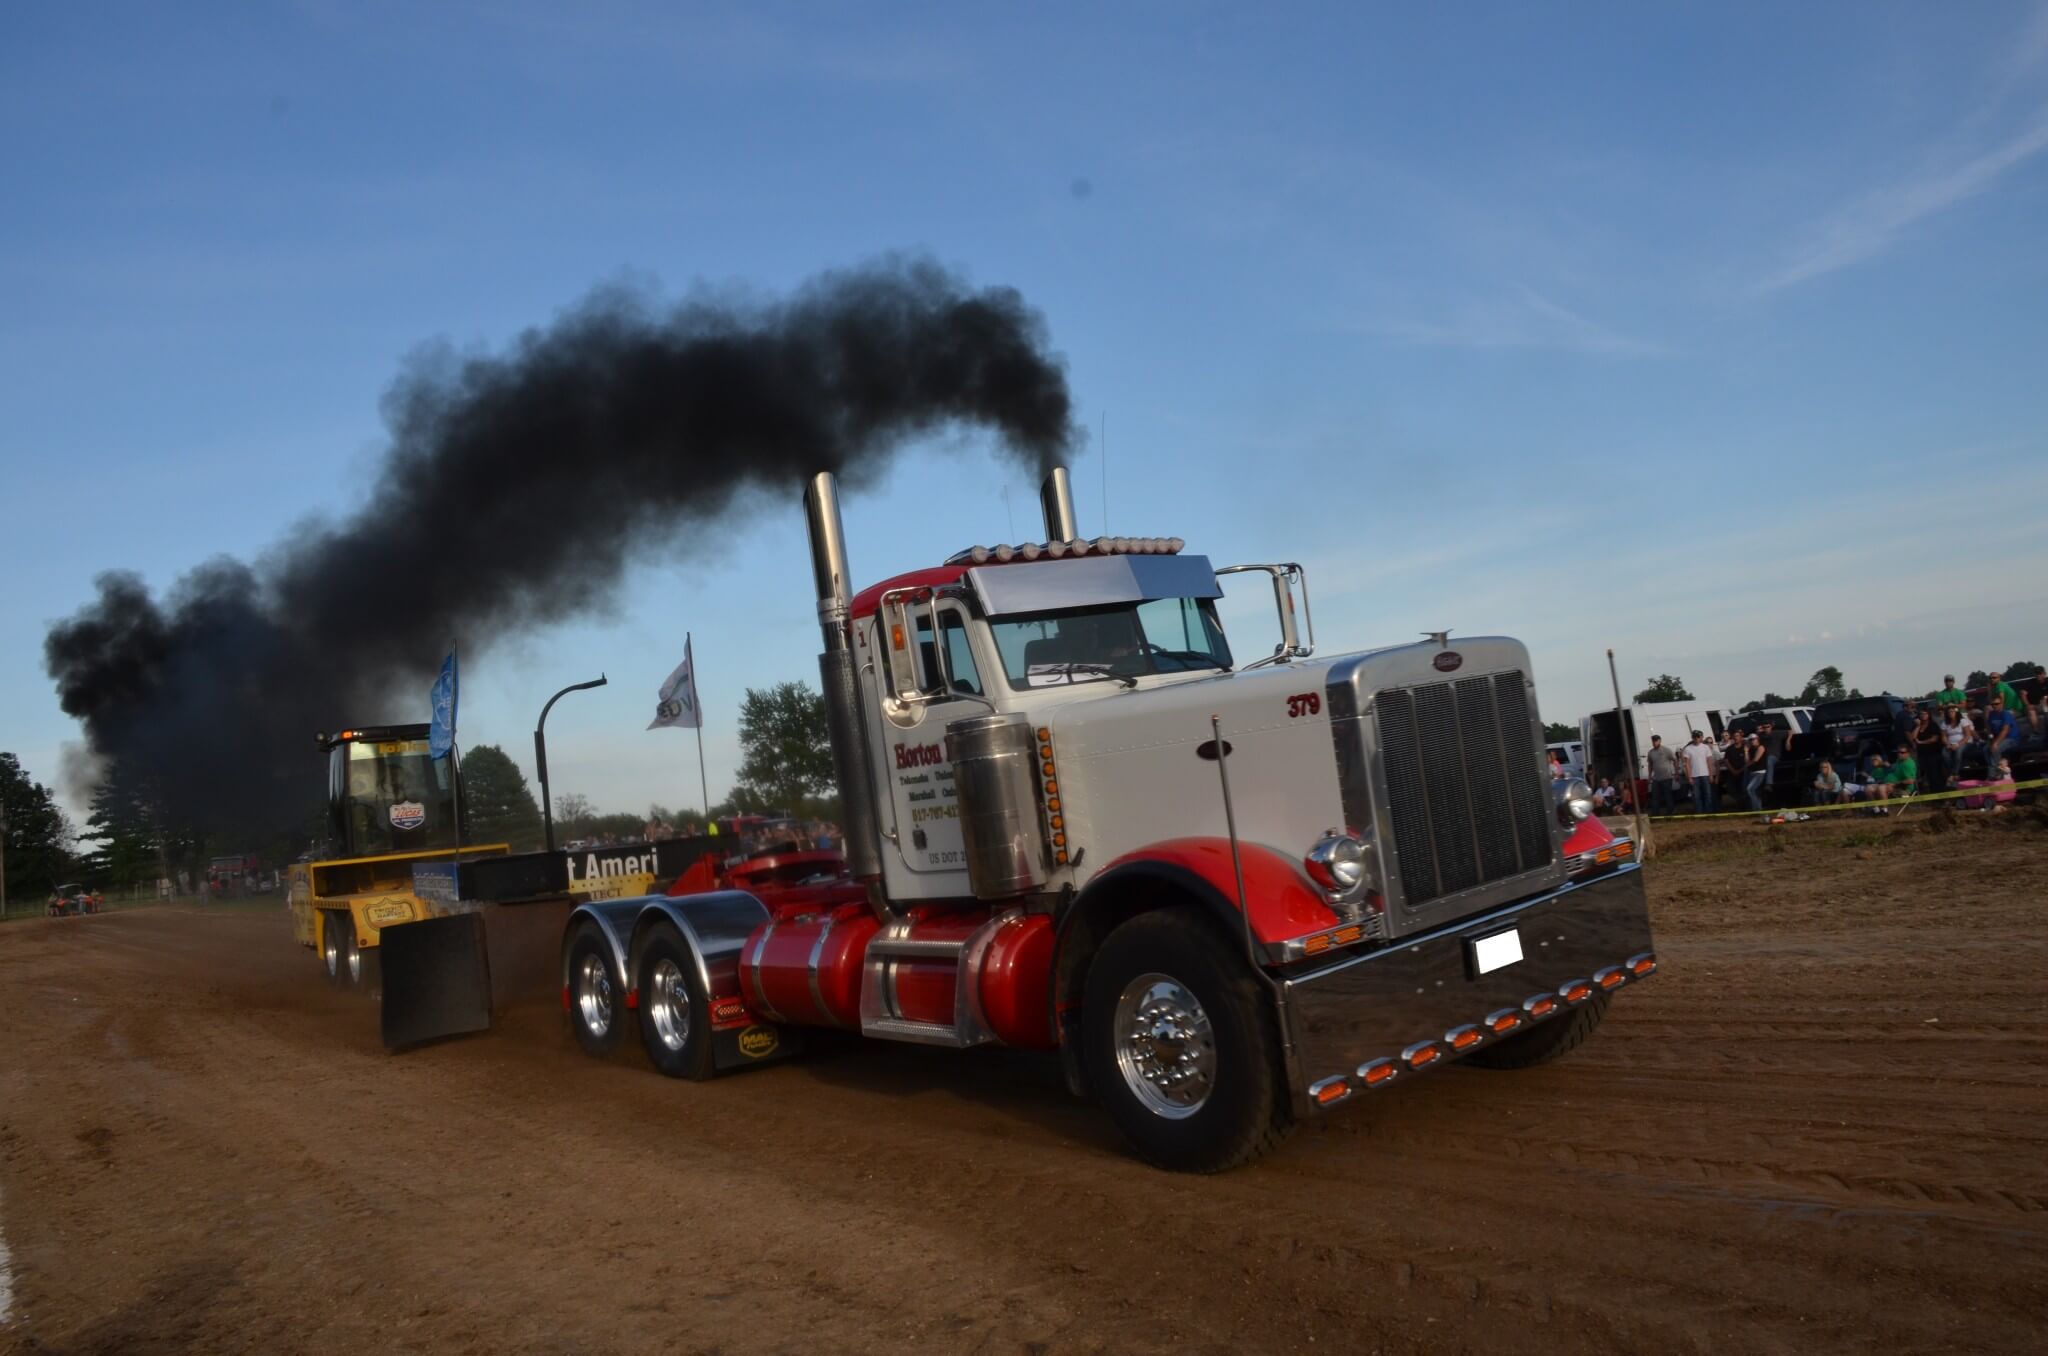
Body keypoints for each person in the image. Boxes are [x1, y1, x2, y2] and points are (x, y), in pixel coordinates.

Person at [1911, 706, 1945, 792]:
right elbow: (1913, 737)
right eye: (1921, 714)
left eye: (1925, 714)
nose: (1923, 715)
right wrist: (1918, 726)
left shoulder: (1933, 725)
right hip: (1922, 754)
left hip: (1933, 753)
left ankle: (1939, 792)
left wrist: (1921, 742)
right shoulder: (1917, 726)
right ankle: (1931, 791)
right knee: (1927, 774)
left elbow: (1934, 739)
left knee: (1935, 774)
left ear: (1929, 715)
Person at [1681, 730, 1717, 813]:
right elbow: (1687, 764)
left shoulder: (1706, 747)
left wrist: (1711, 775)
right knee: (1697, 796)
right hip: (1694, 776)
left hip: (1705, 775)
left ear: (1701, 737)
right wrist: (1689, 777)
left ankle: (1708, 812)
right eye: (1695, 737)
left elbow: (1709, 762)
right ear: (1692, 737)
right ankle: (1699, 813)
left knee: (1707, 794)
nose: (1696, 738)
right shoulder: (1688, 749)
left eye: (1698, 737)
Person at [1982, 697, 2020, 774]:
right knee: (1986, 749)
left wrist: (1995, 743)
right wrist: (1991, 740)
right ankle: (1998, 769)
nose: (1994, 705)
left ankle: (1994, 773)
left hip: (2011, 738)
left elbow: (2005, 731)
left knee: (1996, 748)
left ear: (2001, 704)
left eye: (1996, 704)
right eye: (1992, 704)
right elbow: (1989, 729)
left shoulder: (2006, 714)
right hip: (1999, 738)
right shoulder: (1991, 714)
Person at [1645, 734, 1680, 814]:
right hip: (1656, 778)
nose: (1654, 743)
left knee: (1668, 796)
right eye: (1653, 741)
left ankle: (1670, 813)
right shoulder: (1651, 752)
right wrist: (1649, 776)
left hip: (1667, 777)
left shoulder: (1666, 750)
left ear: (1660, 741)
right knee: (1655, 796)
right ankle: (1655, 814)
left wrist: (1676, 773)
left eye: (1656, 741)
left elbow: (1675, 760)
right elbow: (1650, 764)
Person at [1942, 705, 1975, 784]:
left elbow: (1967, 735)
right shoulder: (1945, 723)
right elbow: (1943, 736)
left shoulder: (1963, 721)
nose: (1950, 713)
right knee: (1944, 754)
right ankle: (1952, 774)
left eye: (1952, 711)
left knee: (1958, 752)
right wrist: (1947, 744)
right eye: (1949, 712)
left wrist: (1957, 744)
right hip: (1950, 743)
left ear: (1956, 712)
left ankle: (1954, 774)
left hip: (1964, 742)